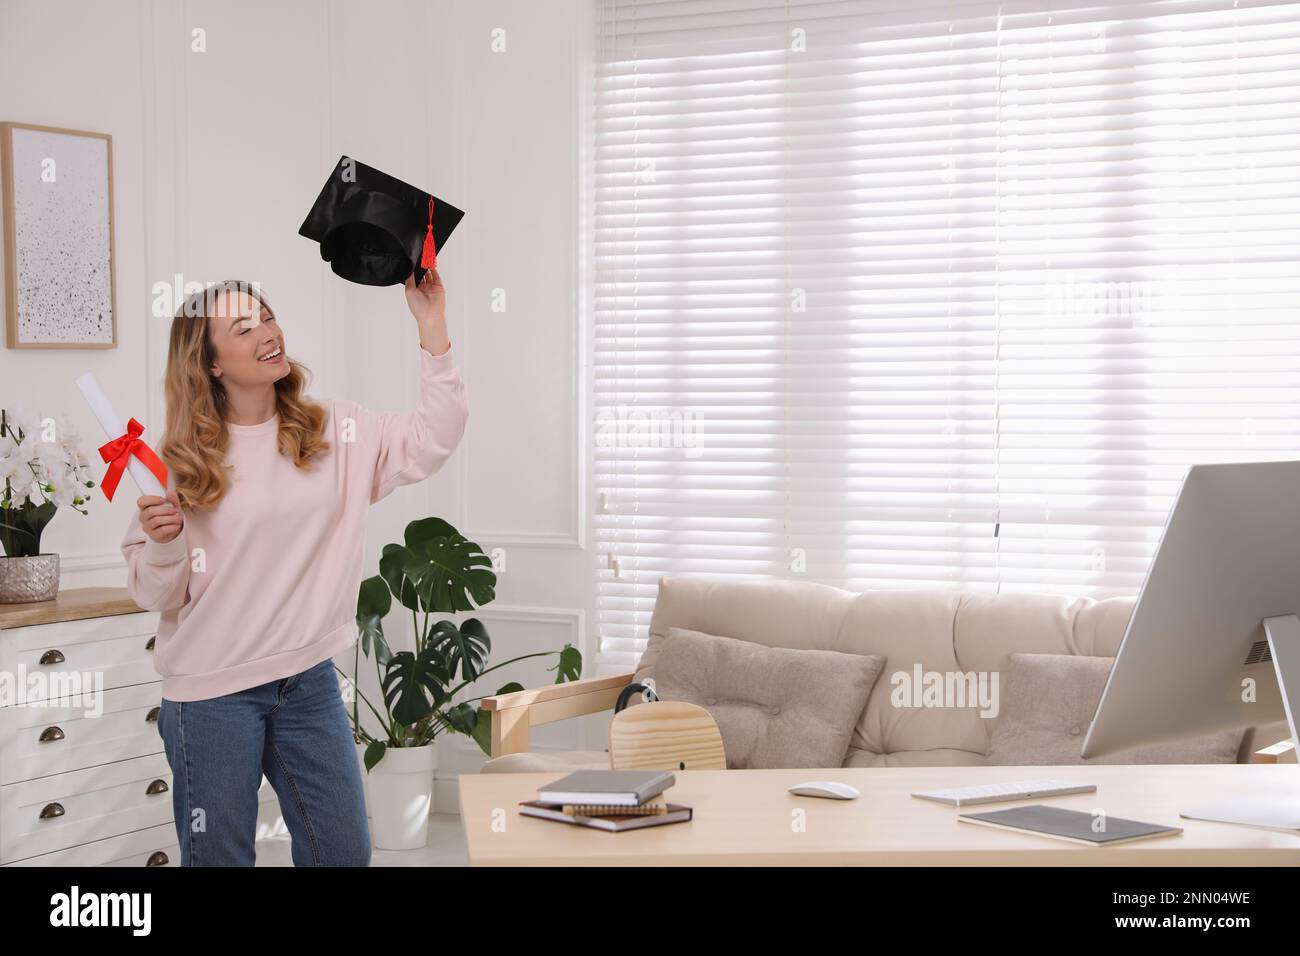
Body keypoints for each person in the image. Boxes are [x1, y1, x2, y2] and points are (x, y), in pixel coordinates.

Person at [121, 269, 468, 866]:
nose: (267, 332)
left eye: (267, 316)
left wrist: (430, 324)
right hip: (211, 696)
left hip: (307, 683)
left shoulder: (338, 430)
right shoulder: (179, 461)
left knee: (343, 854)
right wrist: (163, 544)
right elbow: (156, 593)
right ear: (210, 364)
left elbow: (435, 435)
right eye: (243, 327)